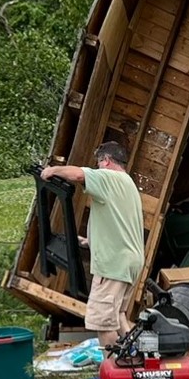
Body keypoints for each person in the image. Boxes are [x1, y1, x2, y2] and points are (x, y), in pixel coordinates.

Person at [41, 142, 145, 348]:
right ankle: (141, 362)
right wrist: (91, 241)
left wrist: (51, 170)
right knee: (120, 316)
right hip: (130, 262)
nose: (98, 167)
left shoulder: (109, 177)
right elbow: (120, 224)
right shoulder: (127, 183)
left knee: (103, 323)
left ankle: (115, 373)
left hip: (114, 266)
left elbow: (79, 175)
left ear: (106, 160)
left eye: (98, 163)